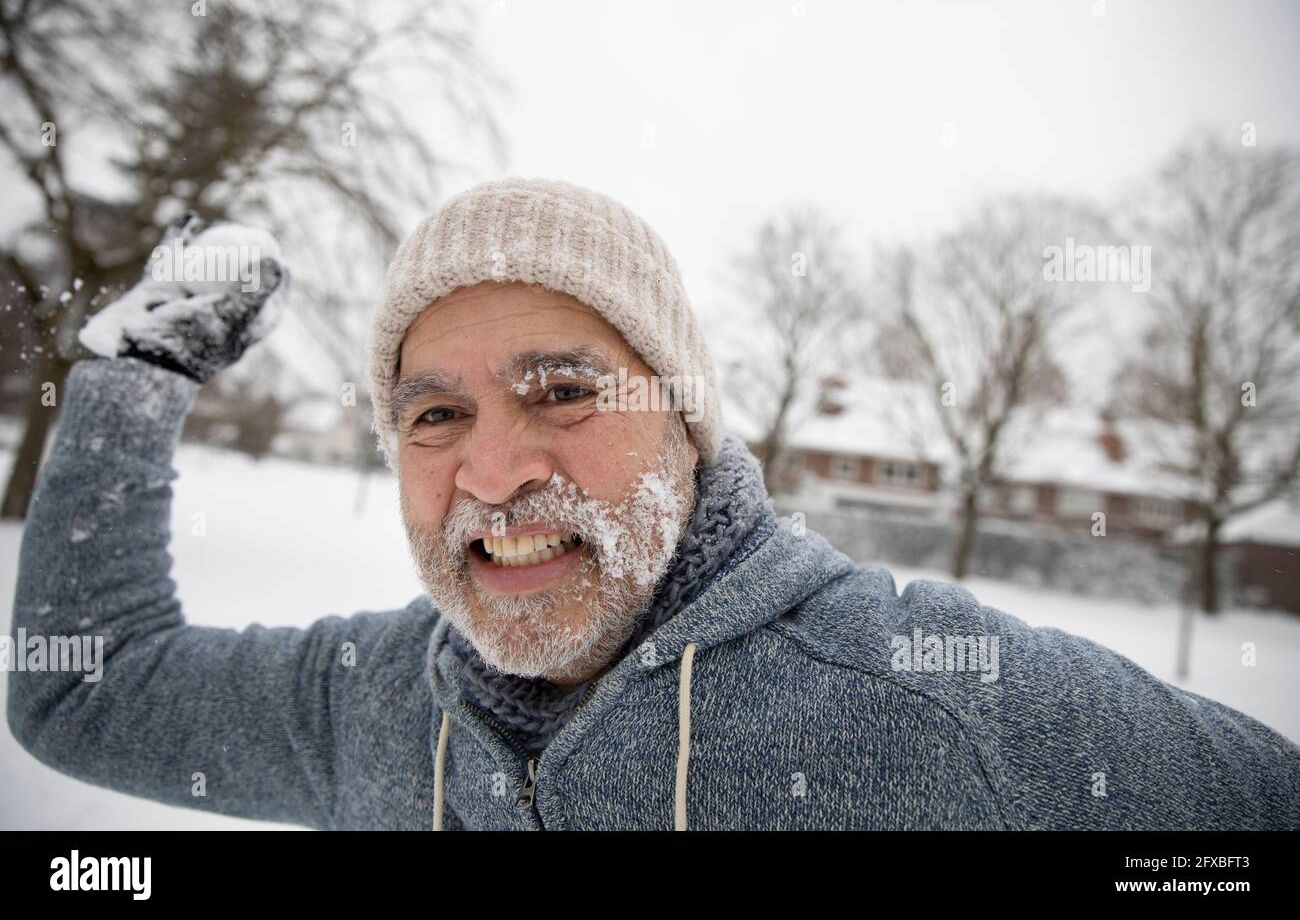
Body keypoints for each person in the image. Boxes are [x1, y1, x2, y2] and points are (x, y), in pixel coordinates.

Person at [9, 178, 1299, 830]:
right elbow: (88, 689)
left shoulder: (939, 702)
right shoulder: (372, 702)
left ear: (685, 420)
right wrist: (137, 378)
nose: (495, 471)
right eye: (435, 413)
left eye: (563, 390)